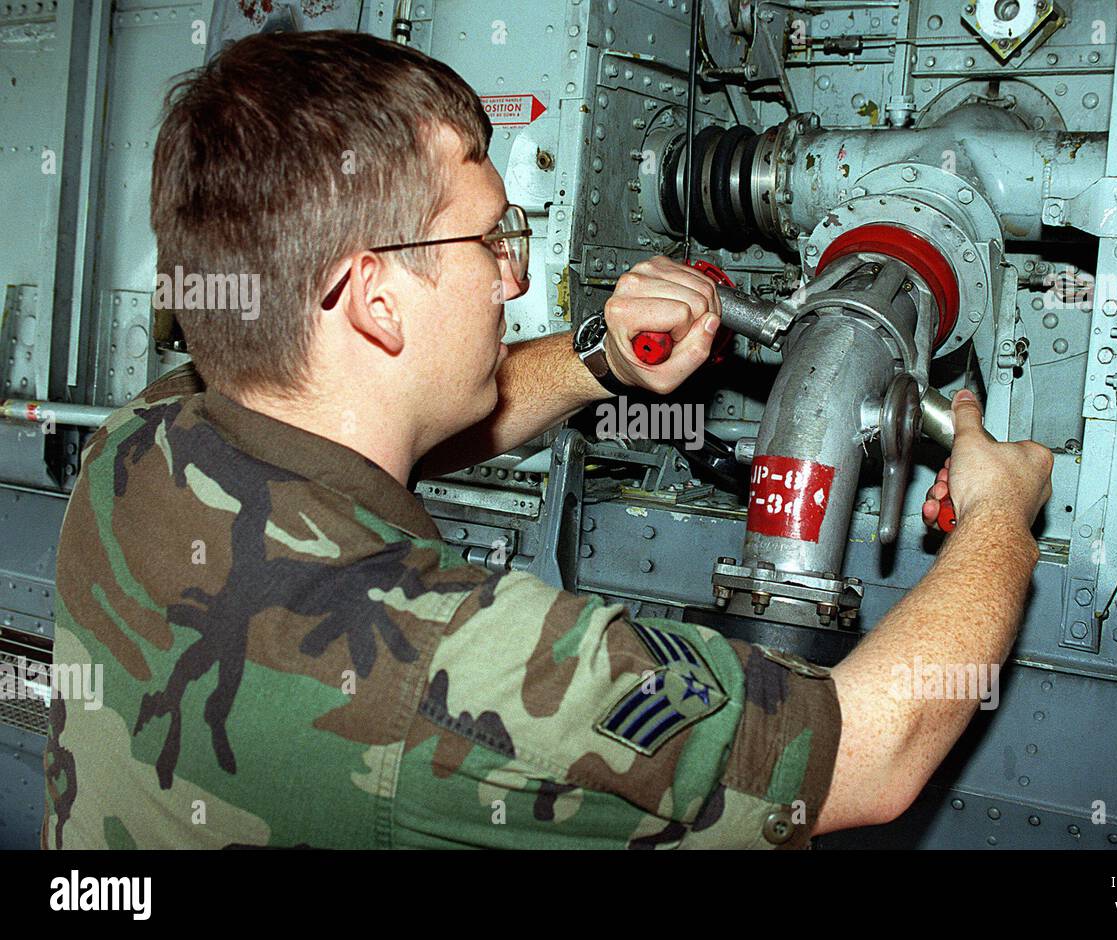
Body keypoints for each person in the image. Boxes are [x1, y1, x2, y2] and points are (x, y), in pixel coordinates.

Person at [42, 29, 1052, 849]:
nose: (512, 277)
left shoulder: (142, 442)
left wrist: (601, 360)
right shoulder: (464, 665)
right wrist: (1000, 511)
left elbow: (386, 425)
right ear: (375, 300)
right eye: (488, 239)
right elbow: (872, 757)